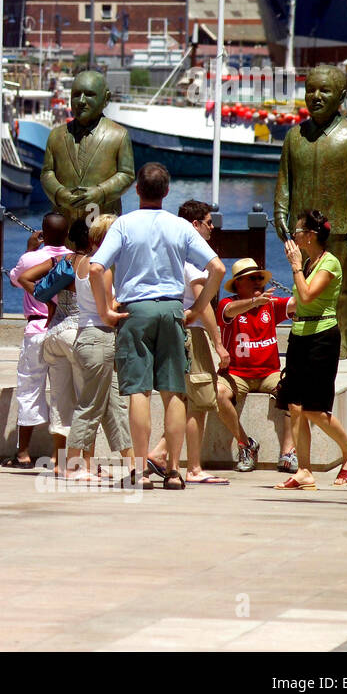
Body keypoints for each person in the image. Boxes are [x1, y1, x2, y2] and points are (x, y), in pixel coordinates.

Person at [88, 163, 226, 491]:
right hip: (172, 309)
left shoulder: (123, 225)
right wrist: (196, 307)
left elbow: (95, 268)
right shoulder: (179, 226)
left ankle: (140, 469)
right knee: (174, 392)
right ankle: (175, 470)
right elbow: (217, 268)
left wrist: (105, 311)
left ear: (136, 190)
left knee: (138, 391)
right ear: (166, 192)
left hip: (135, 311)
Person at [274, 63, 347, 359]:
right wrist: (280, 212)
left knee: (339, 291)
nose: (315, 96)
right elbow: (284, 181)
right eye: (310, 90)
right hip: (301, 229)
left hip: (340, 227)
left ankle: (340, 343)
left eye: (324, 90)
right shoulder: (294, 136)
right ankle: (303, 337)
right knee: (301, 284)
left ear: (341, 95)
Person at [275, 209, 347, 489]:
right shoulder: (310, 262)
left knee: (315, 408)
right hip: (300, 334)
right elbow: (299, 301)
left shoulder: (329, 264)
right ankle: (304, 470)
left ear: (311, 235)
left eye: (298, 230)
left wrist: (294, 266)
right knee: (295, 405)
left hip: (322, 337)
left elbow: (307, 294)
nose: (294, 235)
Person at [149, 200, 236, 484]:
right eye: (209, 222)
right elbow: (205, 304)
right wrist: (218, 342)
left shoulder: (169, 253)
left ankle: (162, 453)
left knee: (184, 398)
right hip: (193, 332)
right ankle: (192, 466)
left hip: (170, 329)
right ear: (194, 224)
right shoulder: (192, 258)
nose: (213, 227)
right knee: (198, 400)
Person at [18, 218, 92, 476]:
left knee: (60, 399)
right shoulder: (94, 265)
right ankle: (86, 463)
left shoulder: (62, 263)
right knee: (87, 399)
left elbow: (26, 279)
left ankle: (61, 462)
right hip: (78, 333)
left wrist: (49, 302)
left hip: (54, 333)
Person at [68, 213, 134, 482]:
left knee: (114, 404)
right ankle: (74, 465)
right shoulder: (102, 268)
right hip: (100, 337)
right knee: (91, 405)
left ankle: (131, 463)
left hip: (88, 336)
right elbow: (107, 310)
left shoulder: (82, 262)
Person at [3, 213, 72, 469]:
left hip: (35, 329)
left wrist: (30, 249)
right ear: (66, 235)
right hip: (61, 327)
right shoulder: (71, 258)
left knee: (29, 387)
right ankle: (59, 456)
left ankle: (23, 453)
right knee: (62, 391)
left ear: (42, 232)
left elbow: (14, 280)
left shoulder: (29, 259)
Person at [214, 258, 296, 473]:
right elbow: (230, 311)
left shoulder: (270, 304)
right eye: (253, 278)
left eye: (260, 278)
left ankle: (287, 452)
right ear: (239, 283)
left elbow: (297, 303)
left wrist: (300, 271)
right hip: (237, 374)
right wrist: (253, 303)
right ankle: (245, 445)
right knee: (218, 392)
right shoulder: (226, 304)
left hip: (269, 373)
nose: (258, 282)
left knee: (292, 386)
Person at [39, 69, 136, 229]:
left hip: (103, 230)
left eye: (89, 94)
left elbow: (126, 174)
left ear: (106, 99)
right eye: (76, 94)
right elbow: (47, 173)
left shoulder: (118, 135)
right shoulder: (56, 135)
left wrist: (100, 192)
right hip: (64, 229)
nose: (81, 101)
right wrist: (59, 194)